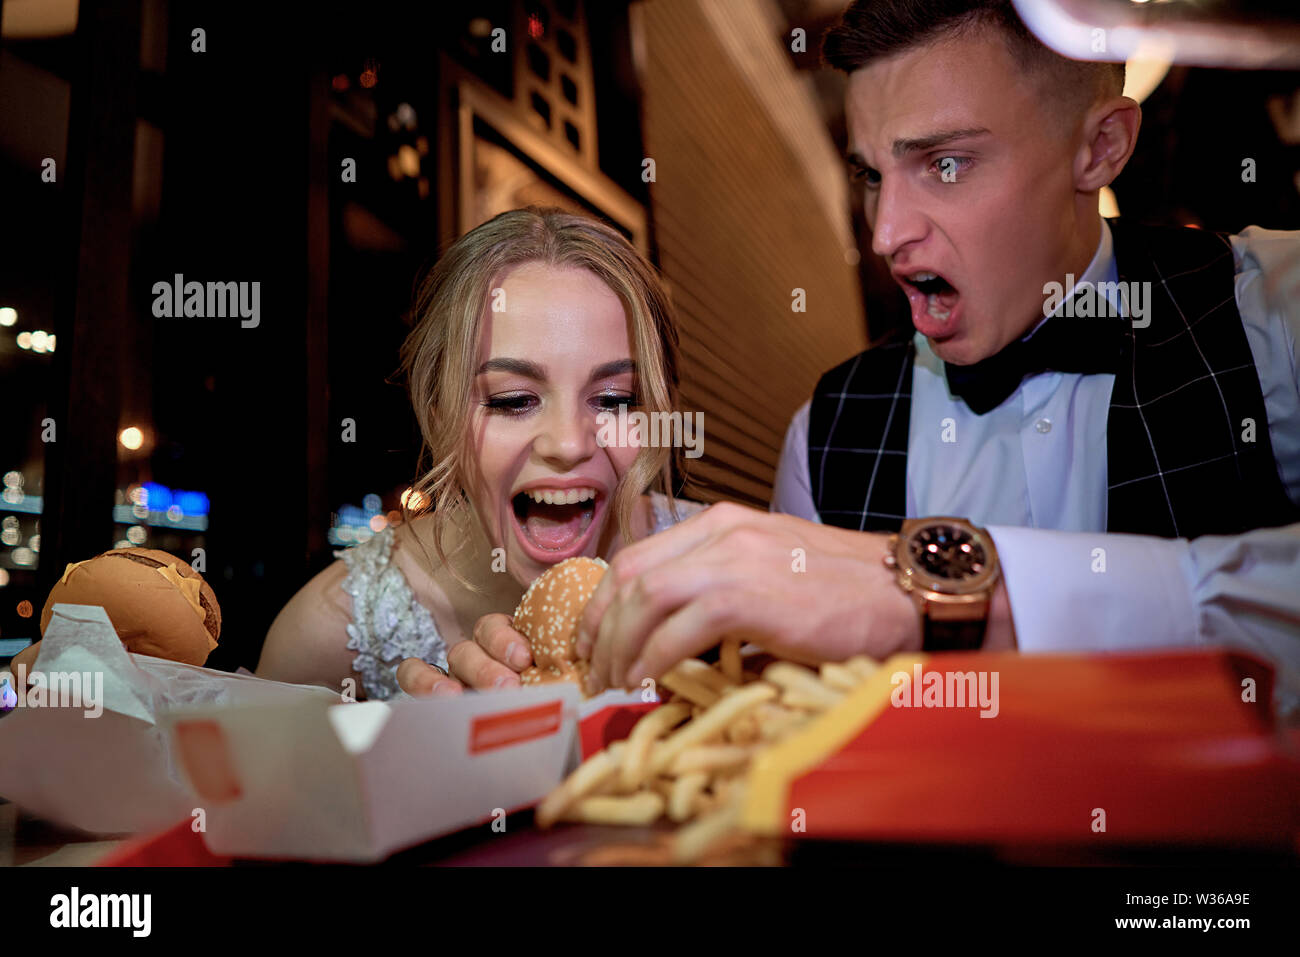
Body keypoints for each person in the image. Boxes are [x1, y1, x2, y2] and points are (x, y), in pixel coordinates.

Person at [573, 0, 1300, 717]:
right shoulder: (824, 433)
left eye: (945, 164)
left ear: (1100, 148)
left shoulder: (1273, 312)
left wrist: (967, 600)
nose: (886, 233)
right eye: (869, 176)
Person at [257, 207, 705, 700]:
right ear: (439, 411)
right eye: (513, 400)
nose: (570, 444)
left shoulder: (721, 575)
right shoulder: (326, 633)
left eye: (615, 400)